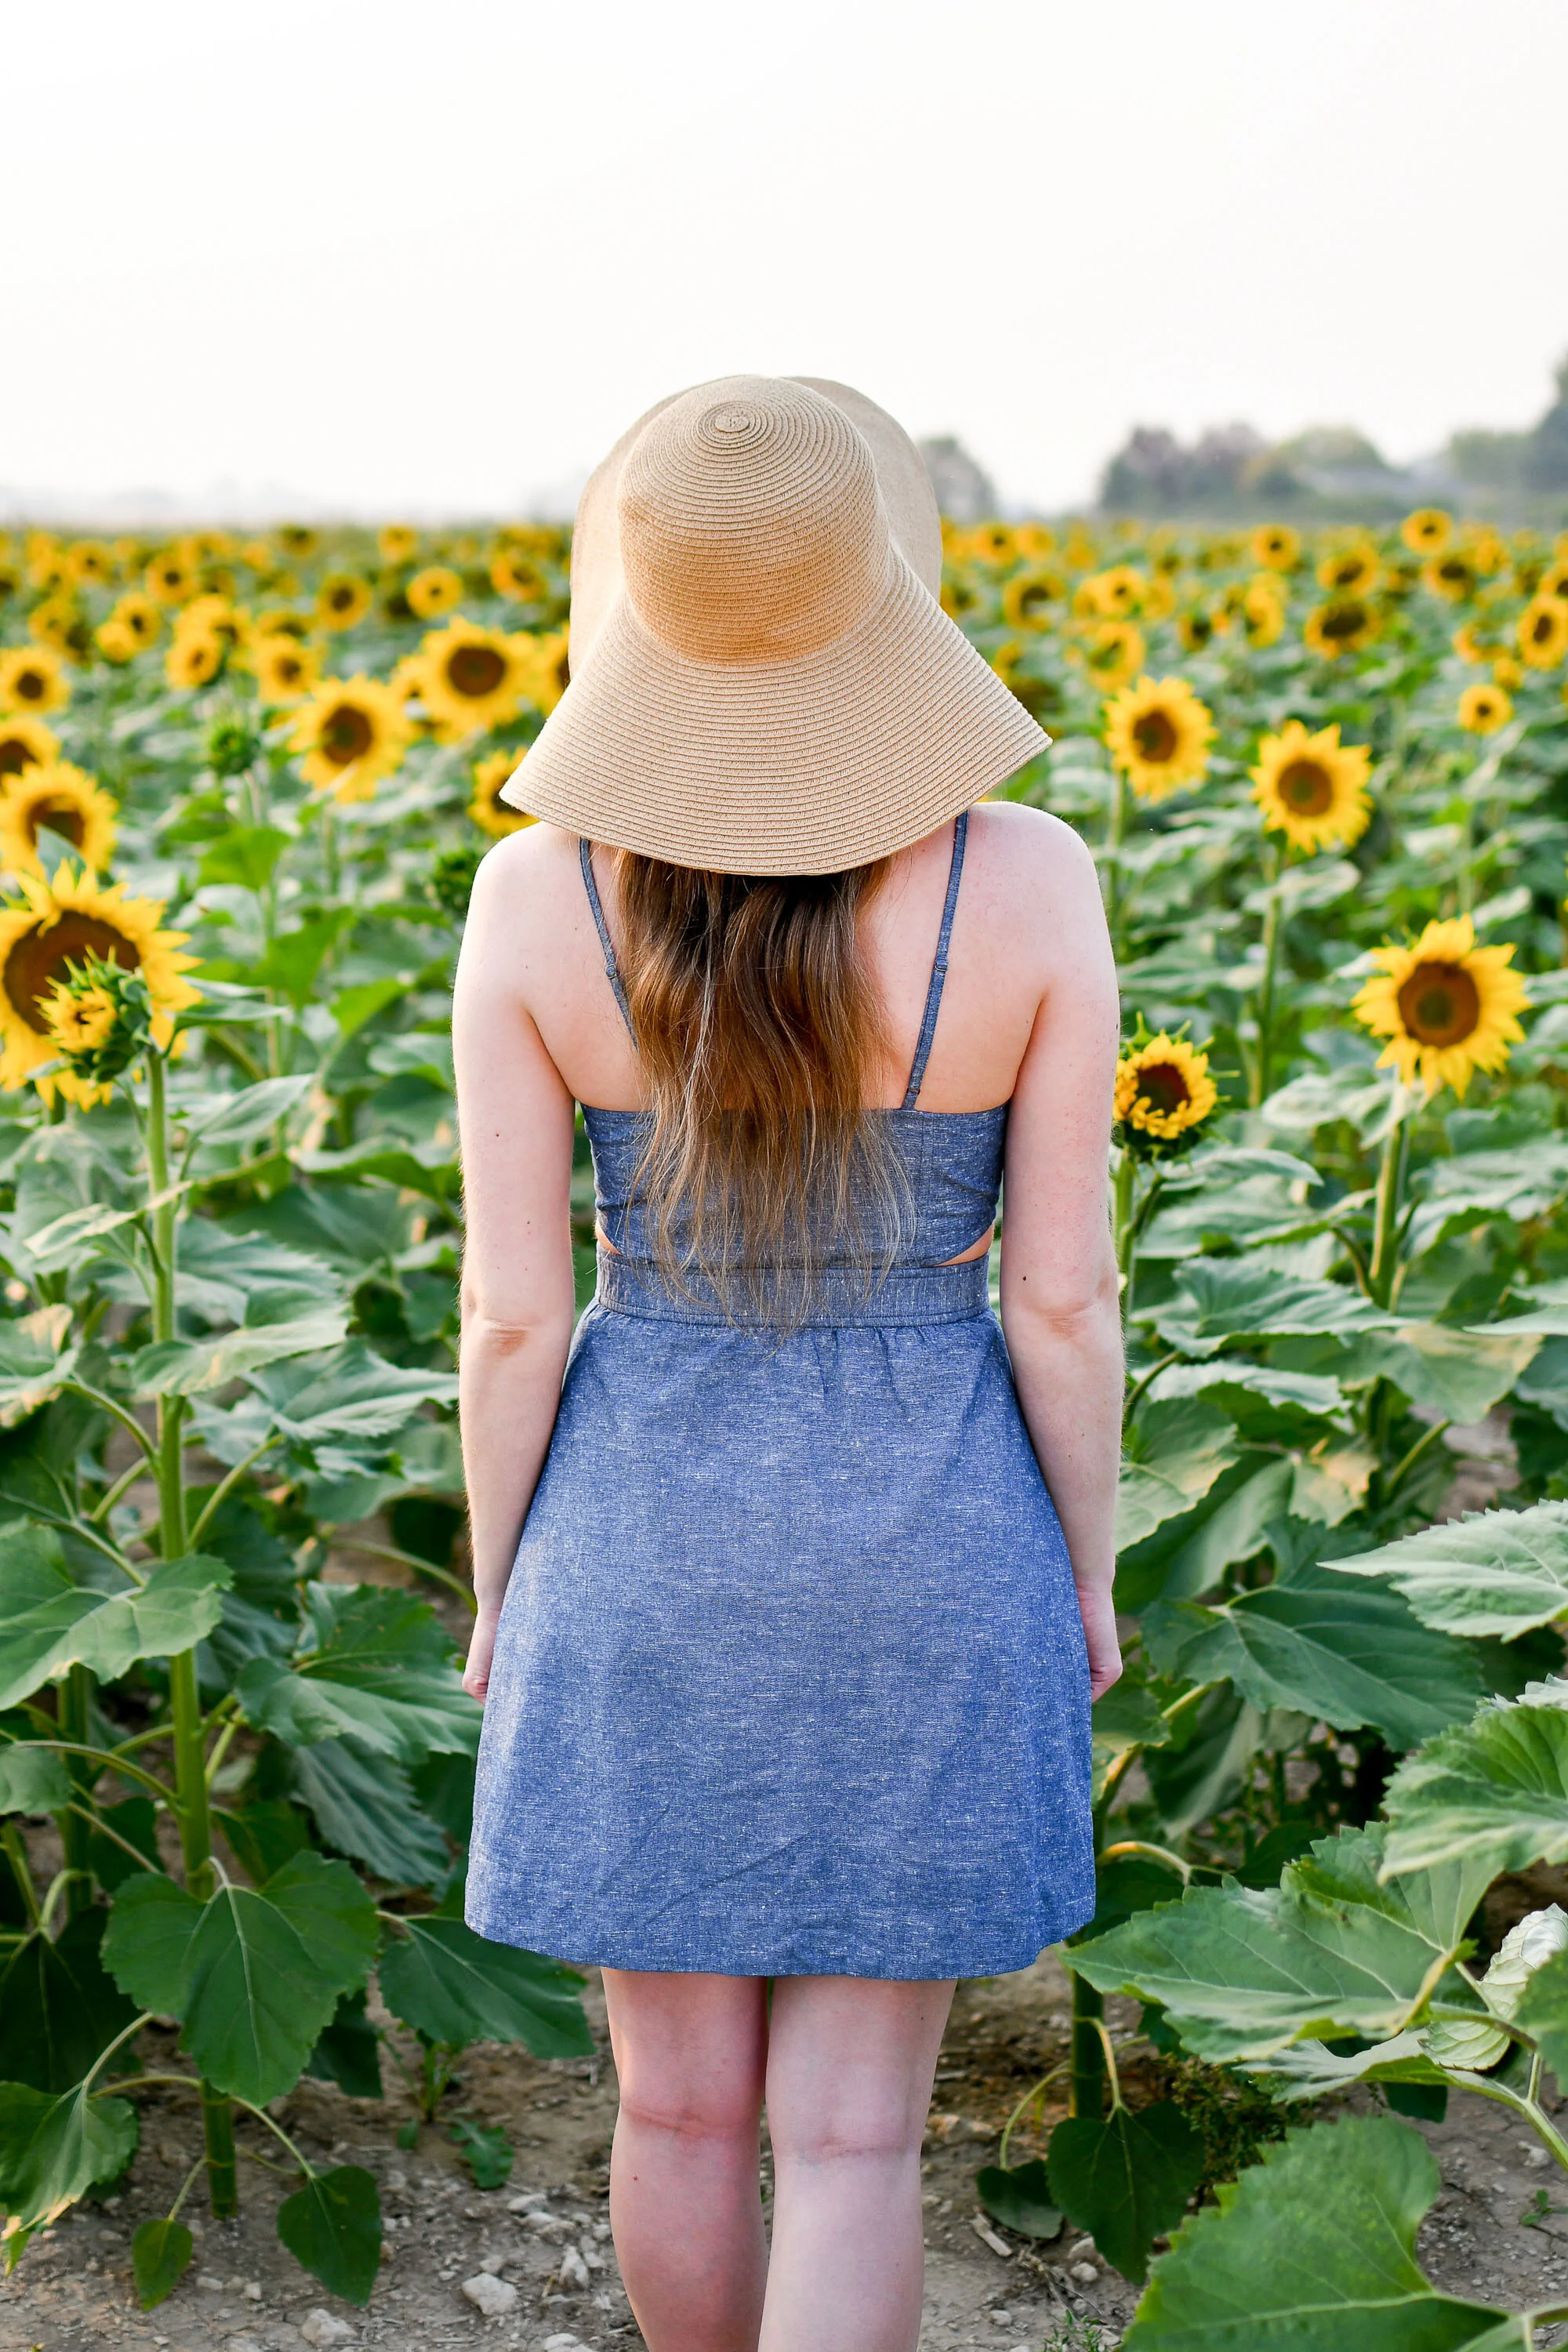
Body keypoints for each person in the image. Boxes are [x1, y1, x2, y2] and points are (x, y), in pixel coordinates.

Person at [453, 376, 1122, 2352]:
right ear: (886, 606)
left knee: (669, 2106)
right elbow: (1064, 1304)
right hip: (930, 1534)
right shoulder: (1030, 881)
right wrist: (1078, 1568)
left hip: (639, 1535)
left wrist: (509, 1586)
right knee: (851, 2144)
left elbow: (510, 1315)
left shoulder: (528, 894)